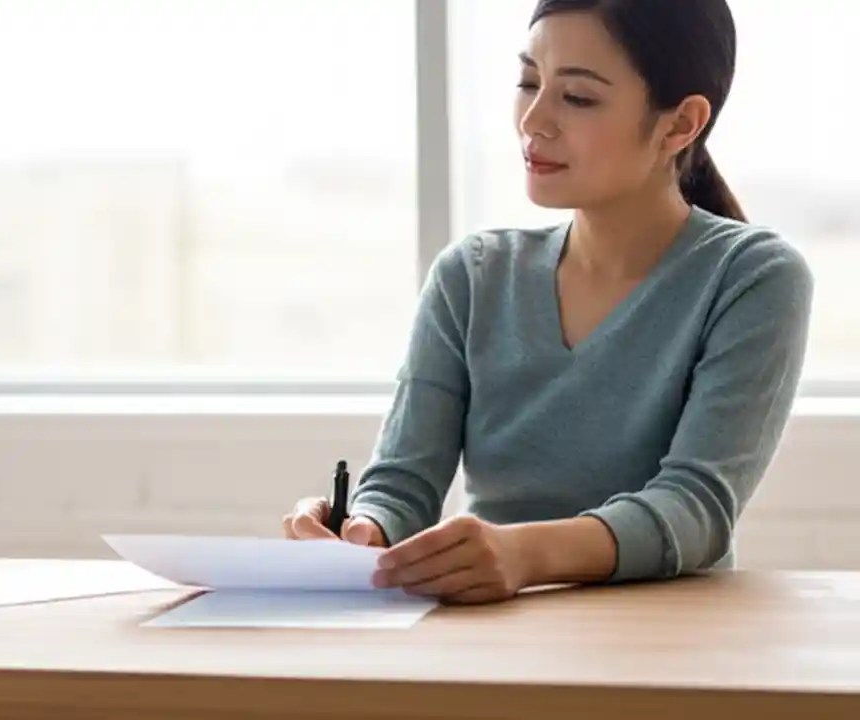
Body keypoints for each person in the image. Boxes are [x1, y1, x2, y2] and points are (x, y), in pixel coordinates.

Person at [282, 0, 814, 605]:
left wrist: (521, 554)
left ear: (680, 124)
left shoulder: (753, 276)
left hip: (668, 642)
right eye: (529, 82)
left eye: (578, 98)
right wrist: (362, 529)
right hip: (491, 635)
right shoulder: (472, 275)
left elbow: (695, 508)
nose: (533, 120)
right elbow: (402, 486)